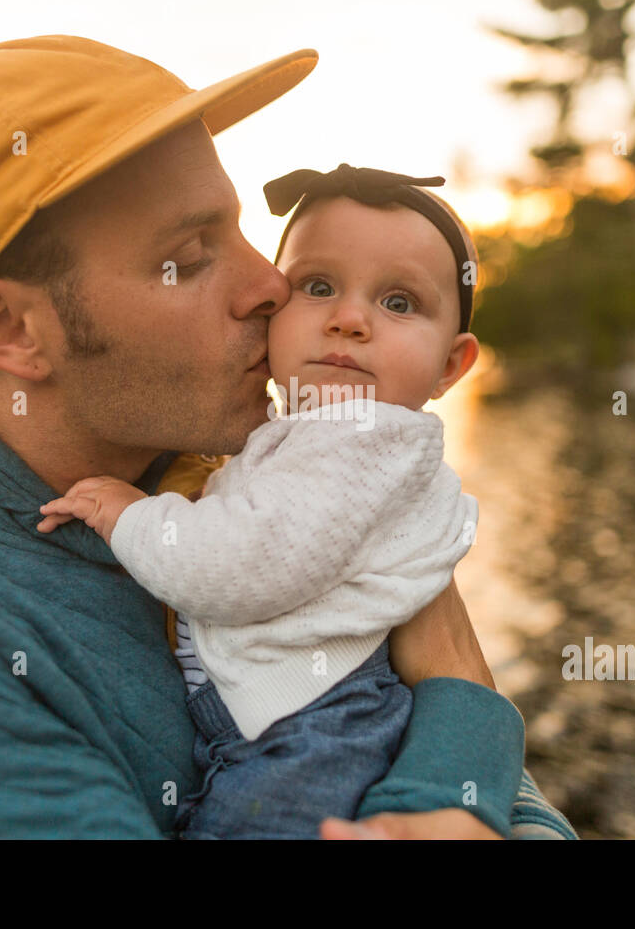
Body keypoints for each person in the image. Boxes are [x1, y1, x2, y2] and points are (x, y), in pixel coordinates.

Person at [0, 35, 577, 840]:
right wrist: (464, 702)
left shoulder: (240, 490)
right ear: (8, 328)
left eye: (238, 228)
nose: (272, 285)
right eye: (190, 257)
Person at [36, 163, 487, 838]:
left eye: (398, 303)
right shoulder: (300, 436)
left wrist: (130, 515)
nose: (350, 320)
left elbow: (240, 566)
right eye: (318, 286)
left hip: (315, 730)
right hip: (290, 724)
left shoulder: (365, 441)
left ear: (451, 366)